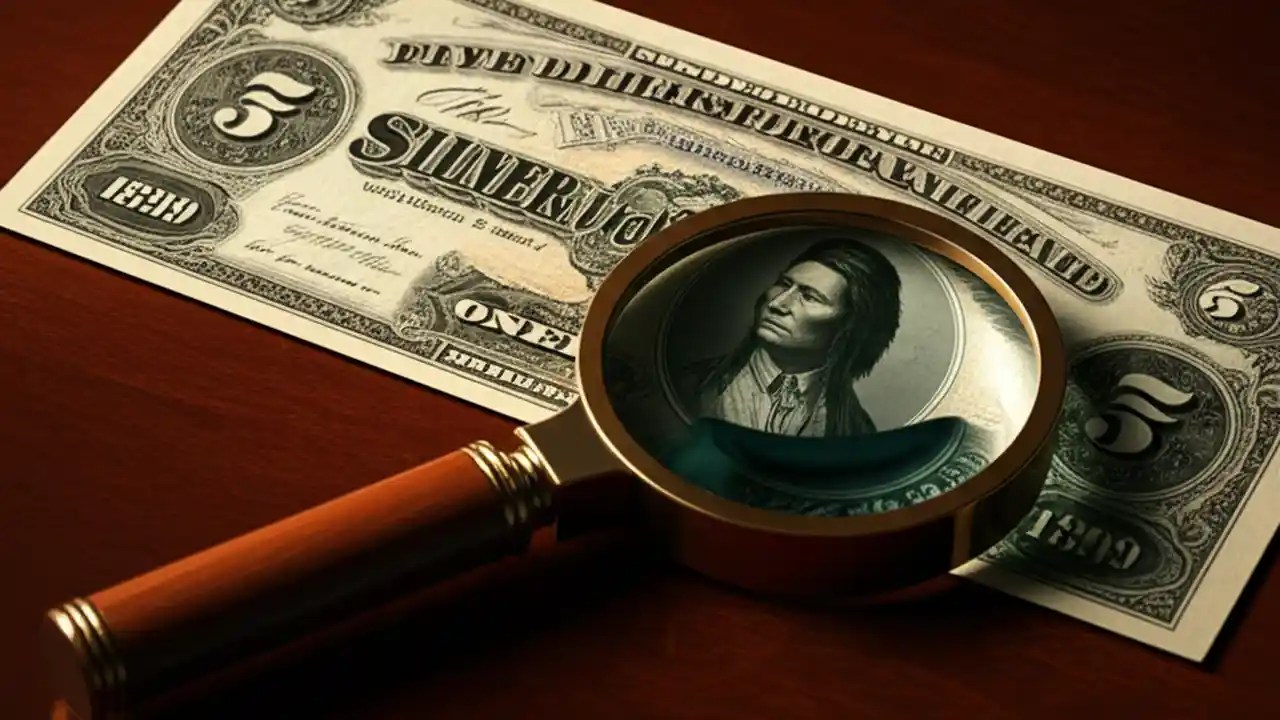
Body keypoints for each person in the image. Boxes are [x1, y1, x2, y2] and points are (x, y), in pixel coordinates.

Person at [689, 235, 902, 437]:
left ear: (850, 326)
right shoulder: (689, 385)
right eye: (784, 284)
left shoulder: (857, 435)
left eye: (809, 297)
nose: (777, 304)